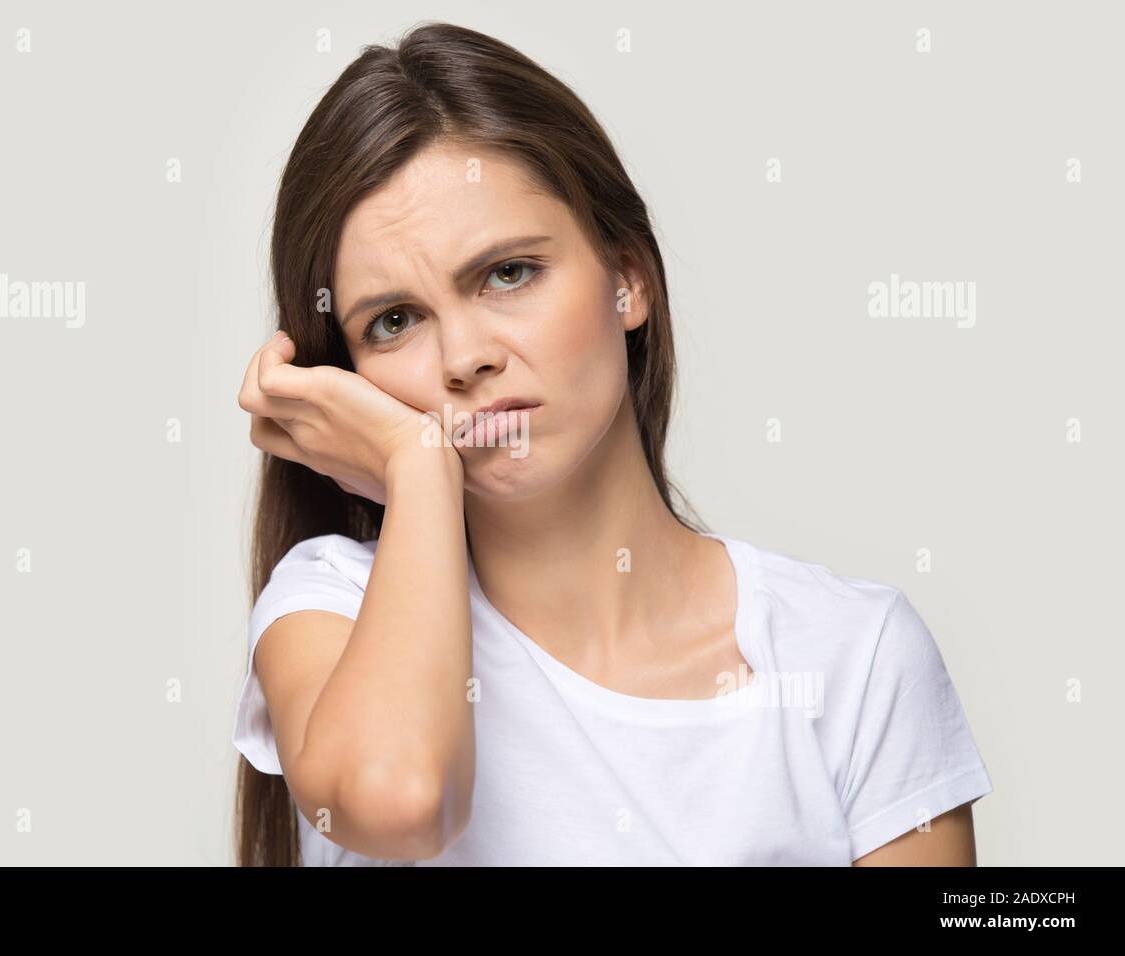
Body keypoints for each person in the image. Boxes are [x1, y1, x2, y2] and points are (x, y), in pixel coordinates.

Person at [231, 22, 993, 866]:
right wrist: (416, 467)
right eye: (395, 321)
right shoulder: (331, 610)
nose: (465, 358)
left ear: (628, 279)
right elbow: (402, 802)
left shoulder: (851, 654)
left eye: (508, 272)